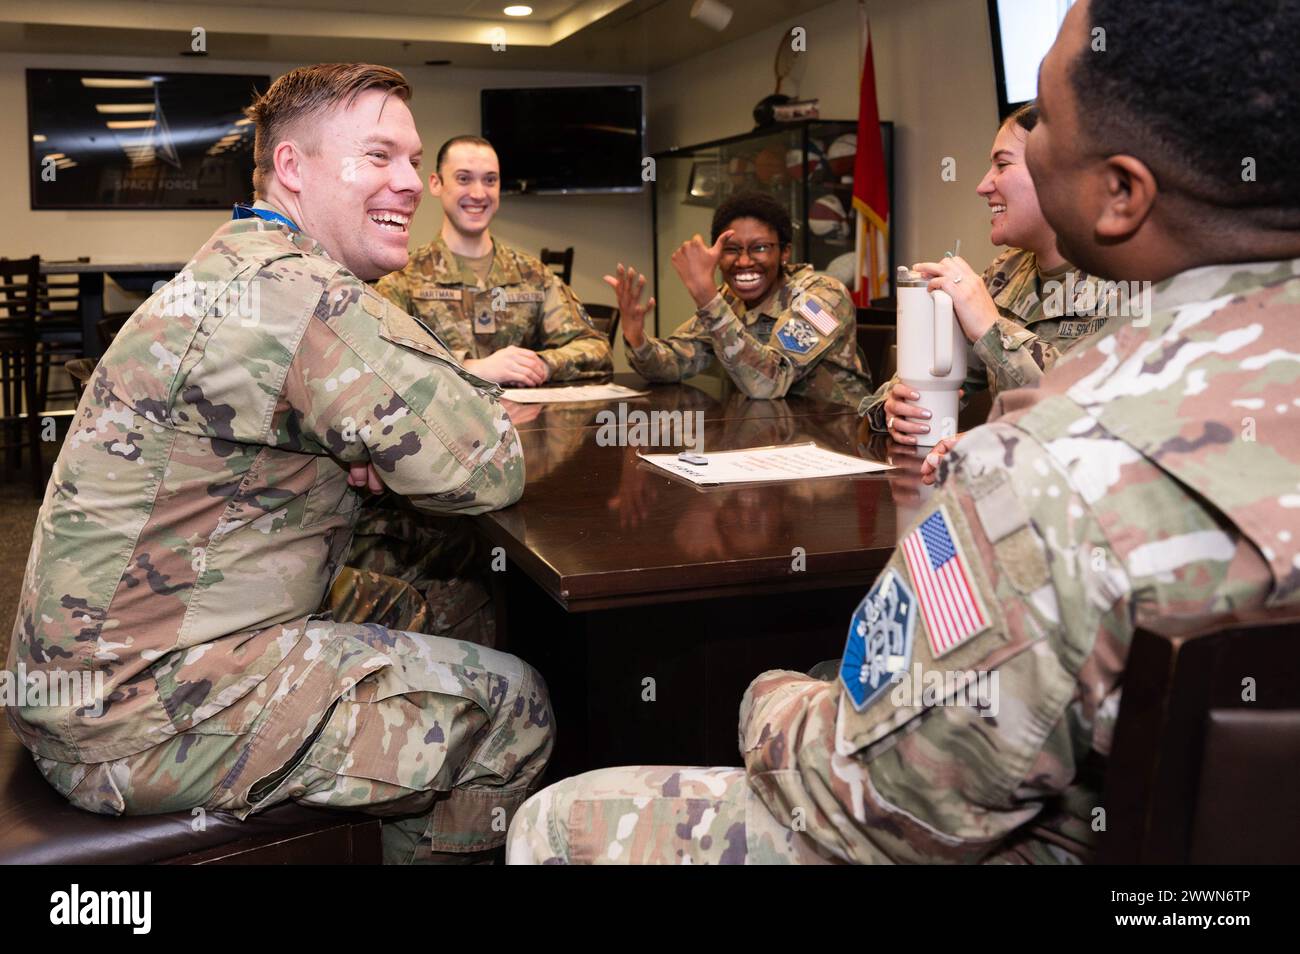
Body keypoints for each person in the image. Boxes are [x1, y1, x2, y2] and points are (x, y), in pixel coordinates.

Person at [505, 0, 1300, 864]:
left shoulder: (1053, 475)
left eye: (1045, 119)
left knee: (559, 820)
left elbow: (877, 799)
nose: (1007, 164)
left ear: (1118, 193)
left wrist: (760, 694)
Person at [4, 64, 553, 864]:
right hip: (134, 714)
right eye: (377, 157)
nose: (409, 183)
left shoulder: (244, 267)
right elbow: (484, 463)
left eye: (412, 160)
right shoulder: (298, 293)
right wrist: (395, 435)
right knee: (517, 705)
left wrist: (375, 438)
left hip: (103, 665)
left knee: (446, 605)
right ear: (292, 170)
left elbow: (414, 428)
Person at [863, 103, 1117, 445]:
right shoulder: (1006, 271)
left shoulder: (1131, 279)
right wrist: (895, 409)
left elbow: (1092, 418)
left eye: (1002, 164)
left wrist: (990, 328)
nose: (983, 186)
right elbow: (924, 380)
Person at [376, 134, 612, 386]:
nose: (479, 193)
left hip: (526, 424)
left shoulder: (533, 275)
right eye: (464, 179)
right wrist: (468, 367)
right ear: (436, 184)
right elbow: (379, 355)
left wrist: (542, 365)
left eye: (490, 180)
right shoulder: (403, 277)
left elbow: (597, 349)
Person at [609, 191, 872, 409]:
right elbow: (678, 362)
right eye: (731, 250)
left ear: (784, 252)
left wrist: (706, 297)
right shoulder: (729, 300)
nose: (744, 262)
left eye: (759, 248)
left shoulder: (823, 296)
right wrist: (637, 338)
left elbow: (769, 382)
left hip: (838, 437)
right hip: (772, 433)